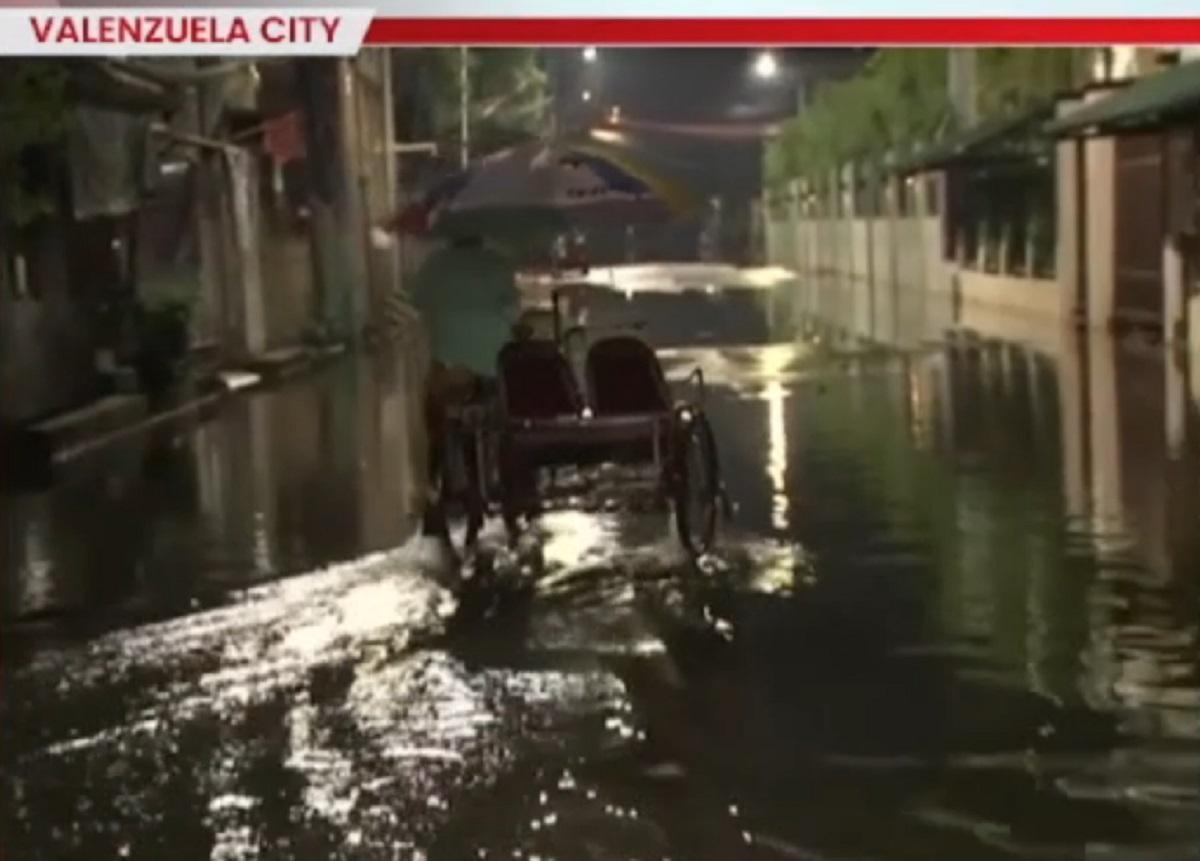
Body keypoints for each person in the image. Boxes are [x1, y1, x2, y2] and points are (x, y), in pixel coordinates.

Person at [408, 232, 521, 542]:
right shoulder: (497, 264)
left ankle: (433, 486)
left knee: (434, 420)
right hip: (493, 369)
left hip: (448, 373)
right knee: (508, 424)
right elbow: (513, 314)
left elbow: (418, 306)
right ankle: (512, 486)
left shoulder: (433, 266)